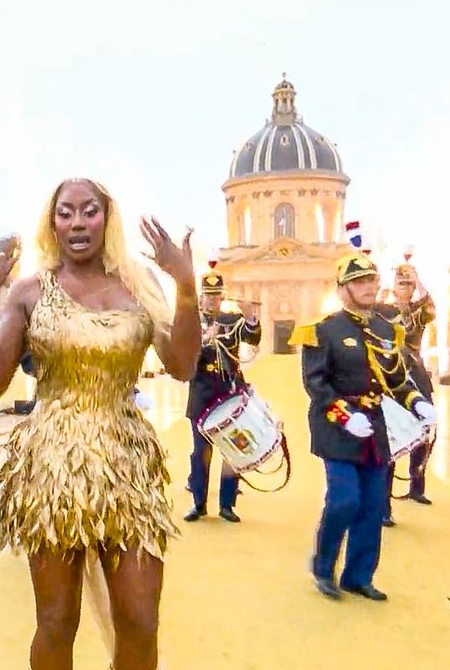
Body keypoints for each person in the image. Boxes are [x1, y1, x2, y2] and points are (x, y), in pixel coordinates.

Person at [0, 178, 199, 670]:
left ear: (106, 219)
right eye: (65, 213)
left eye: (88, 212)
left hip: (125, 462)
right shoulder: (29, 292)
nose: (77, 223)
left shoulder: (140, 288)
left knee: (140, 621)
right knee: (56, 620)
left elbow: (184, 365)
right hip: (53, 466)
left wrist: (185, 286)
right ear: (52, 223)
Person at [293, 249, 436, 602]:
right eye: (359, 281)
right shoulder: (323, 331)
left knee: (372, 507)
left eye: (371, 279)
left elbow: (396, 378)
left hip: (374, 429)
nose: (369, 286)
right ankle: (323, 566)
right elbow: (316, 385)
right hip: (338, 427)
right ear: (343, 290)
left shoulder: (387, 330)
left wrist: (416, 402)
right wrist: (346, 416)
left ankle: (358, 576)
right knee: (344, 500)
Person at [184, 262, 261, 523]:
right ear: (201, 296)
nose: (213, 301)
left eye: (217, 296)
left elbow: (252, 339)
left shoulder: (231, 320)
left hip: (229, 391)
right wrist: (206, 338)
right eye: (208, 296)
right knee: (201, 452)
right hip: (202, 394)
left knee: (232, 450)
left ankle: (227, 505)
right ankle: (199, 503)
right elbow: (184, 354)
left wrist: (251, 318)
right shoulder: (190, 321)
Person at [374, 256, 435, 522]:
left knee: (423, 430)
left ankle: (416, 484)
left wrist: (418, 280)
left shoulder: (419, 312)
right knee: (391, 434)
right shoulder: (384, 311)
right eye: (401, 283)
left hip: (416, 371)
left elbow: (431, 309)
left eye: (408, 284)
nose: (404, 288)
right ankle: (383, 503)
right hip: (390, 373)